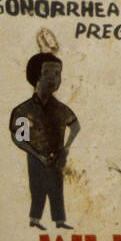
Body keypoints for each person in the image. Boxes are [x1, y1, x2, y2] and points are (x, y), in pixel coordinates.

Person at [10, 52, 80, 230]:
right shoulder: (24, 110)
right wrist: (37, 155)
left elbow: (75, 126)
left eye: (57, 74)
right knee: (37, 189)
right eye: (47, 73)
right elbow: (19, 139)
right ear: (36, 75)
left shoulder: (60, 109)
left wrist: (66, 149)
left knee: (57, 188)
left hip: (56, 156)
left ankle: (59, 221)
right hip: (35, 158)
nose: (53, 79)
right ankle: (34, 220)